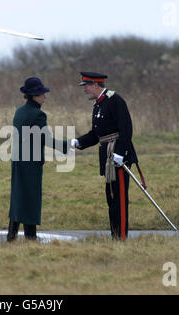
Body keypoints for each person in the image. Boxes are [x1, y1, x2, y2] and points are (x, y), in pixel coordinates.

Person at [70, 72, 138, 241]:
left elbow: (126, 129)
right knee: (111, 199)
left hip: (118, 158)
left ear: (95, 85)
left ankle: (121, 238)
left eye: (86, 86)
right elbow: (96, 134)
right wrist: (78, 142)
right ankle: (115, 236)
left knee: (120, 200)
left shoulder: (115, 100)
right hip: (108, 158)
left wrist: (120, 154)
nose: (84, 89)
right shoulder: (98, 105)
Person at [7, 77, 68, 241]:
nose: (45, 96)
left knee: (18, 197)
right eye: (42, 94)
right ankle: (30, 238)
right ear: (34, 96)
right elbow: (46, 140)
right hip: (30, 162)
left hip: (17, 160)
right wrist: (67, 145)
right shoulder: (38, 114)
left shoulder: (19, 111)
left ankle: (11, 235)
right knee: (31, 199)